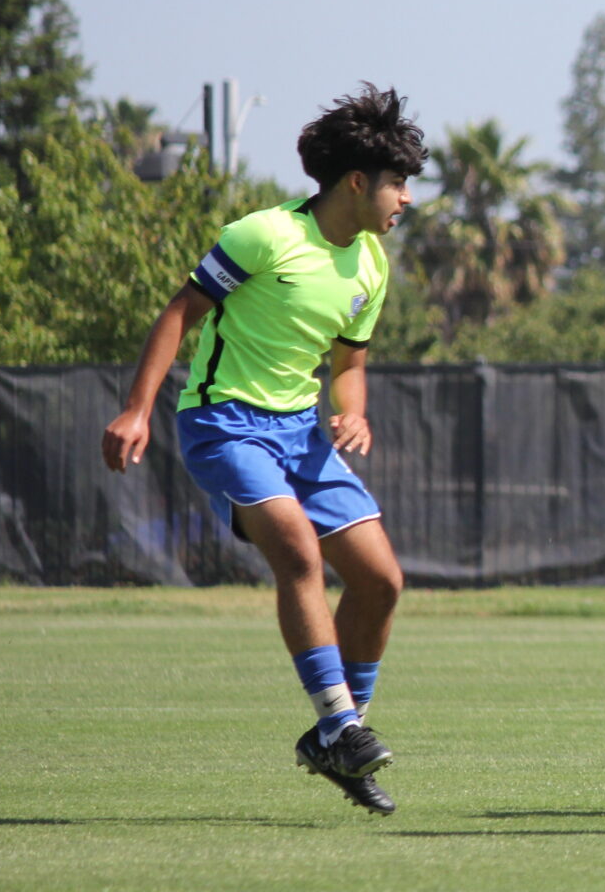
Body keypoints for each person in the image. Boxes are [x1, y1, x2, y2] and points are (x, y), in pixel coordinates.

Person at [100, 84, 423, 815]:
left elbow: (350, 365)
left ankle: (342, 737)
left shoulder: (370, 265)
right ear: (356, 182)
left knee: (381, 581)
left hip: (302, 435)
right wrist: (136, 409)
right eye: (398, 183)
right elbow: (181, 313)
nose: (405, 199)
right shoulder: (264, 234)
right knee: (299, 552)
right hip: (223, 422)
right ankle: (339, 725)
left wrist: (356, 415)